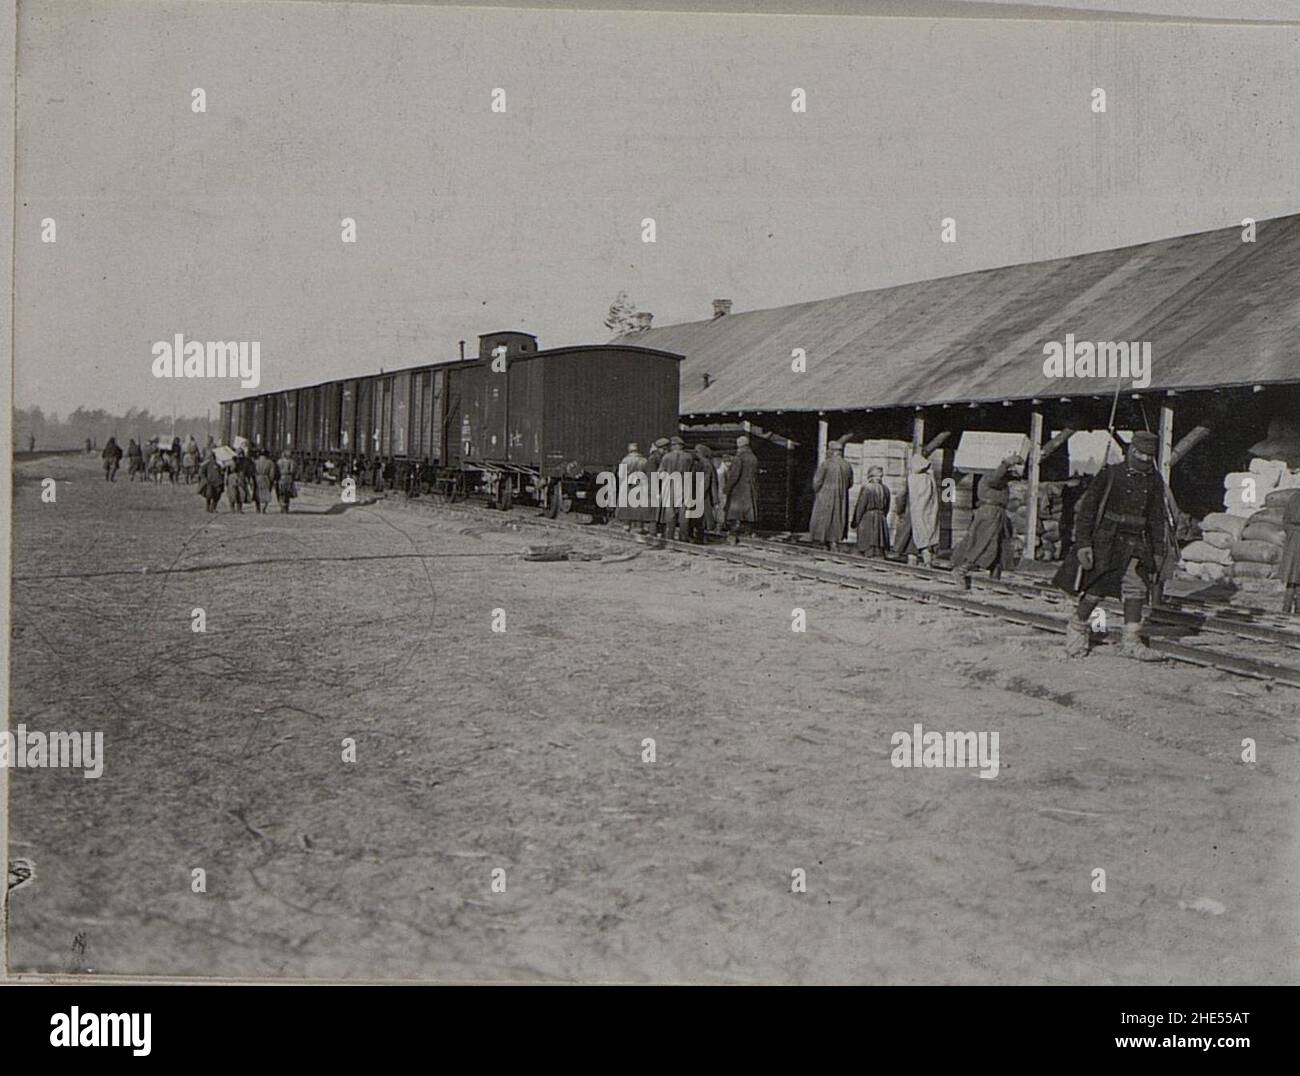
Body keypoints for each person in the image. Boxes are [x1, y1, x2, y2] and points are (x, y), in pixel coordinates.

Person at [1053, 430, 1173, 661]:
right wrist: (1083, 544)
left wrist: (1158, 551)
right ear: (1131, 450)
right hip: (1107, 542)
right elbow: (1087, 511)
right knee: (1095, 591)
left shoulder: (1155, 480)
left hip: (1137, 543)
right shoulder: (1111, 475)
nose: (1145, 460)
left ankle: (1131, 642)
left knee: (1136, 589)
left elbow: (1157, 518)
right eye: (1141, 454)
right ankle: (1076, 636)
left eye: (1150, 456)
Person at [950, 454, 1024, 585]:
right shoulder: (989, 477)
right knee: (984, 542)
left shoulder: (1001, 481)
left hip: (998, 513)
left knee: (1000, 545)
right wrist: (1006, 463)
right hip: (990, 513)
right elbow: (996, 477)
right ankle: (962, 570)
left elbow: (1009, 477)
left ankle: (995, 580)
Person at [809, 440, 855, 551]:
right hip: (841, 498)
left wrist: (818, 491)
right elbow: (850, 483)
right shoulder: (847, 465)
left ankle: (822, 541)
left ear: (832, 451)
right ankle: (834, 541)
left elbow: (817, 482)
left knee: (823, 518)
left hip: (825, 496)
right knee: (837, 517)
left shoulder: (826, 464)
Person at [898, 452, 940, 566]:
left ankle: (912, 562)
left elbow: (902, 495)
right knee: (925, 536)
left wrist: (899, 510)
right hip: (926, 512)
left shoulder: (911, 479)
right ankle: (927, 560)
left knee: (912, 538)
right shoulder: (930, 478)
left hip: (912, 512)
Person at [723, 434, 759, 544]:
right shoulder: (753, 457)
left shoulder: (739, 457)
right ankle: (748, 534)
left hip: (739, 490)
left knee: (735, 513)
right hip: (750, 488)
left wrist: (727, 488)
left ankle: (733, 535)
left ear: (740, 445)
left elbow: (734, 475)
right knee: (749, 512)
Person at [657, 436, 694, 542]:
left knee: (670, 512)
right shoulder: (688, 457)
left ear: (674, 446)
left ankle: (670, 536)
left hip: (670, 486)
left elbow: (660, 474)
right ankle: (683, 537)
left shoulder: (666, 457)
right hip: (685, 486)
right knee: (684, 512)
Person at [852, 465, 892, 558]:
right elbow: (887, 506)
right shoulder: (885, 489)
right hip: (880, 516)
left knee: (868, 537)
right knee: (879, 537)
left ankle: (868, 553)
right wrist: (883, 515)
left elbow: (861, 506)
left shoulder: (867, 488)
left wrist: (856, 520)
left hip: (868, 516)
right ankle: (879, 553)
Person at [615, 442, 649, 533]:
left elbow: (620, 474)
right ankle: (639, 526)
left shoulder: (625, 460)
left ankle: (627, 525)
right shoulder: (644, 460)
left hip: (628, 484)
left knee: (627, 505)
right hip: (641, 484)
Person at [691, 444, 720, 543]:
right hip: (702, 493)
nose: (695, 454)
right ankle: (700, 536)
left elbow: (706, 481)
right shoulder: (704, 463)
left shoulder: (705, 464)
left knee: (701, 516)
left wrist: (699, 493)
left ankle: (700, 537)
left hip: (702, 494)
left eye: (697, 452)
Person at [1279, 491, 1300, 615]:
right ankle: (1292, 610)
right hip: (1295, 540)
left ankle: (1288, 610)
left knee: (1293, 578)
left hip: (1292, 539)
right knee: (1294, 577)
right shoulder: (1295, 498)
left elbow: (1285, 521)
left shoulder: (1293, 497)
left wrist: (1291, 533)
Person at [254, 449, 277, 514]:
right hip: (266, 478)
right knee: (266, 493)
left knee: (257, 493)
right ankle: (264, 509)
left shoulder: (255, 462)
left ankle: (257, 509)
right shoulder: (270, 462)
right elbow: (272, 474)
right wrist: (272, 480)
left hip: (257, 478)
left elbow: (253, 472)